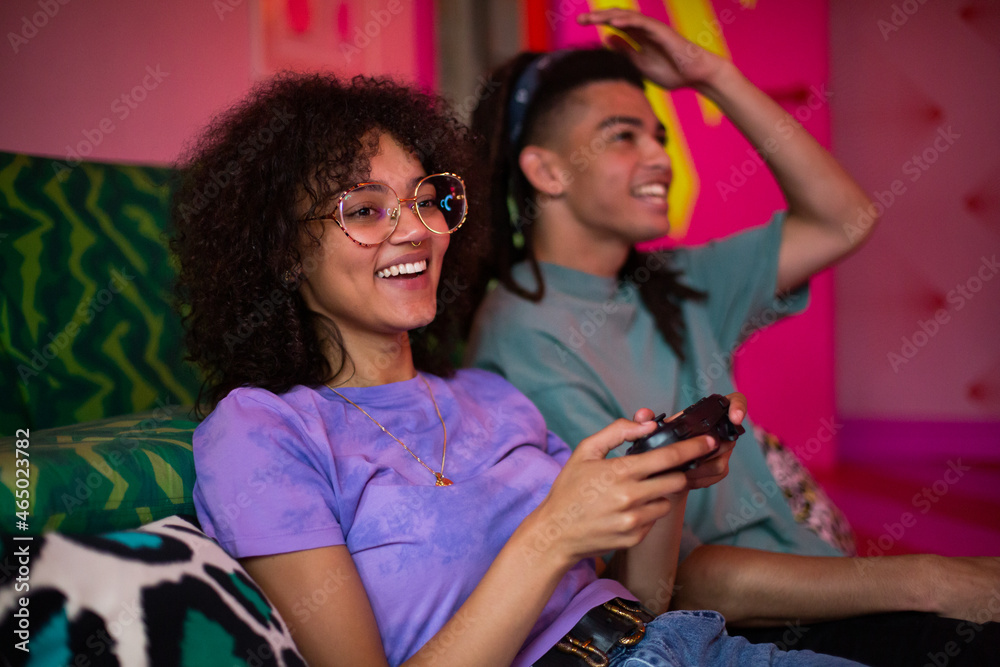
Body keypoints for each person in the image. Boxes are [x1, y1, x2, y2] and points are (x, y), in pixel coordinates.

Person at [171, 72, 861, 666]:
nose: (414, 229)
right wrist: (555, 531)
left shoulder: (491, 396)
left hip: (691, 642)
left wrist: (664, 485)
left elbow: (643, 600)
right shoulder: (262, 430)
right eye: (366, 210)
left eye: (425, 199)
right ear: (286, 253)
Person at [465, 8, 1000, 665]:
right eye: (622, 136)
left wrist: (710, 74)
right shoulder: (521, 338)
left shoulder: (671, 282)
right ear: (547, 171)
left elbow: (844, 219)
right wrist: (937, 580)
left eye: (659, 134)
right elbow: (663, 580)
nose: (660, 155)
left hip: (824, 582)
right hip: (743, 628)